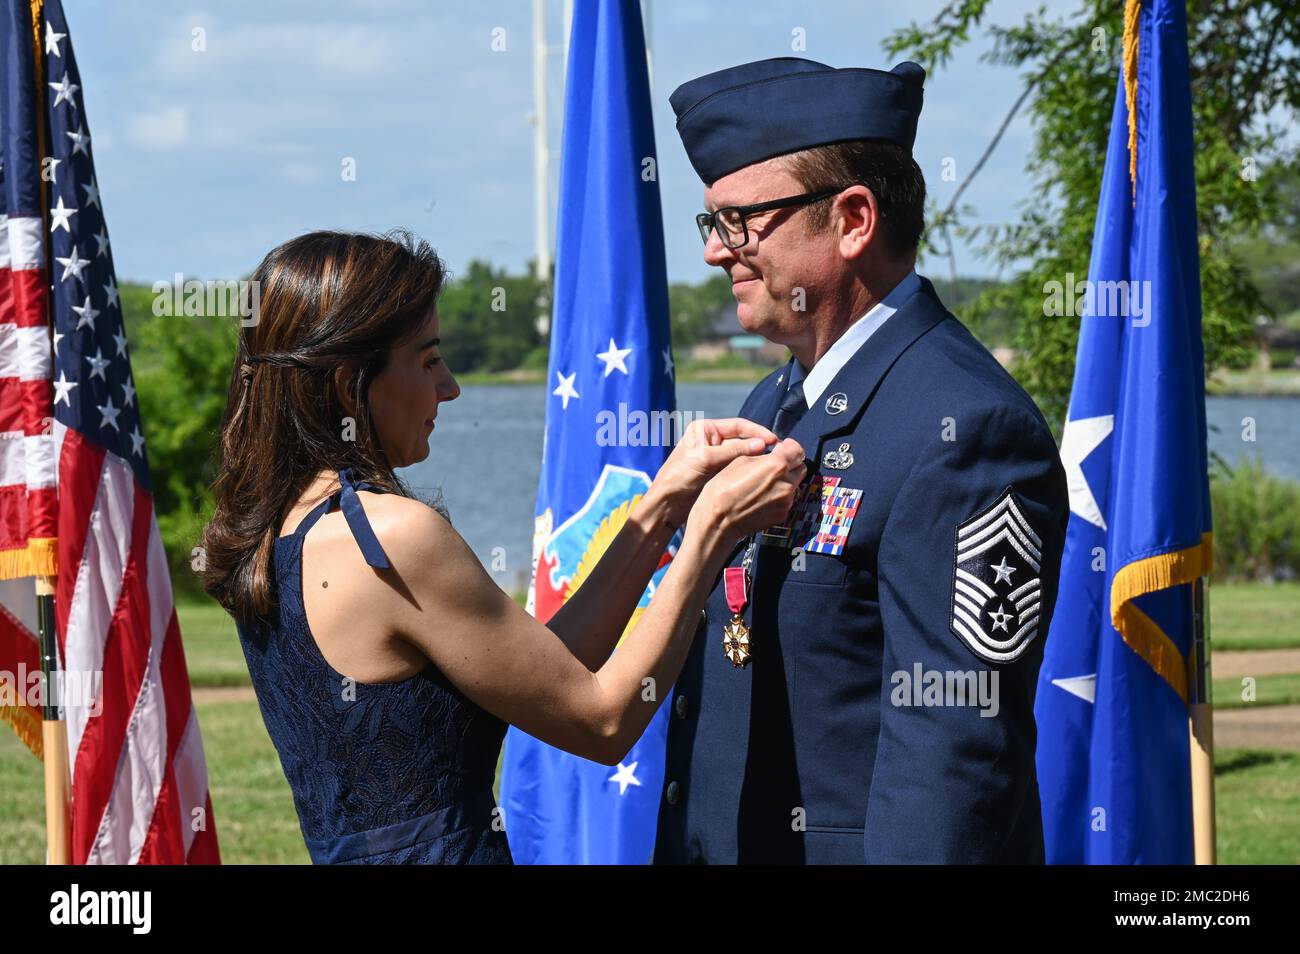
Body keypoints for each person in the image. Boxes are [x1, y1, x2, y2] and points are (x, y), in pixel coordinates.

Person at [200, 229, 805, 864]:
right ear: (351, 382)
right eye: (428, 360)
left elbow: (549, 670)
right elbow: (601, 721)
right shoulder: (390, 538)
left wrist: (661, 506)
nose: (450, 387)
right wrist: (710, 530)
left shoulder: (281, 531)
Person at [654, 58, 1070, 863]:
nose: (714, 252)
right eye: (712, 222)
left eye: (740, 221)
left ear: (852, 220)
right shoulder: (773, 402)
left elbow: (951, 764)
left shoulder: (967, 429)